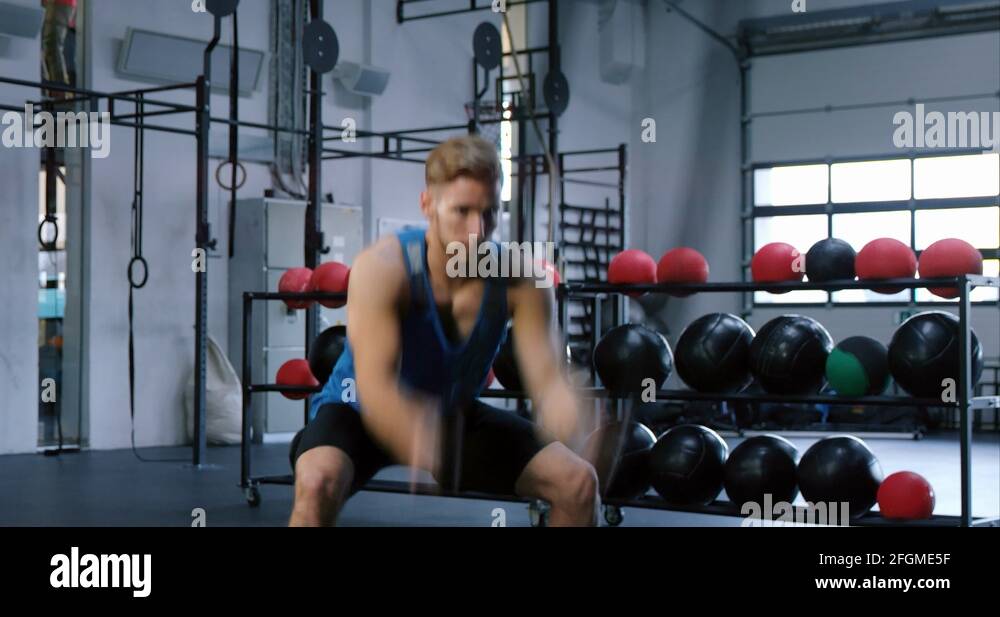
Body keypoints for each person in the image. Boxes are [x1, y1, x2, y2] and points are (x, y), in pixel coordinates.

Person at [288, 135, 598, 526]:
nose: (477, 230)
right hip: (358, 410)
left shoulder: (521, 280)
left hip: (449, 415)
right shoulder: (384, 267)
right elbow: (376, 384)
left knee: (578, 483)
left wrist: (567, 408)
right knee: (317, 481)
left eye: (489, 213)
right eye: (462, 211)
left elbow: (546, 376)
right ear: (427, 205)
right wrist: (411, 431)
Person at [41, 0, 78, 99]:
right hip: (58, 4)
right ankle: (57, 89)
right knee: (49, 45)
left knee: (52, 44)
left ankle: (60, 89)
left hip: (59, 3)